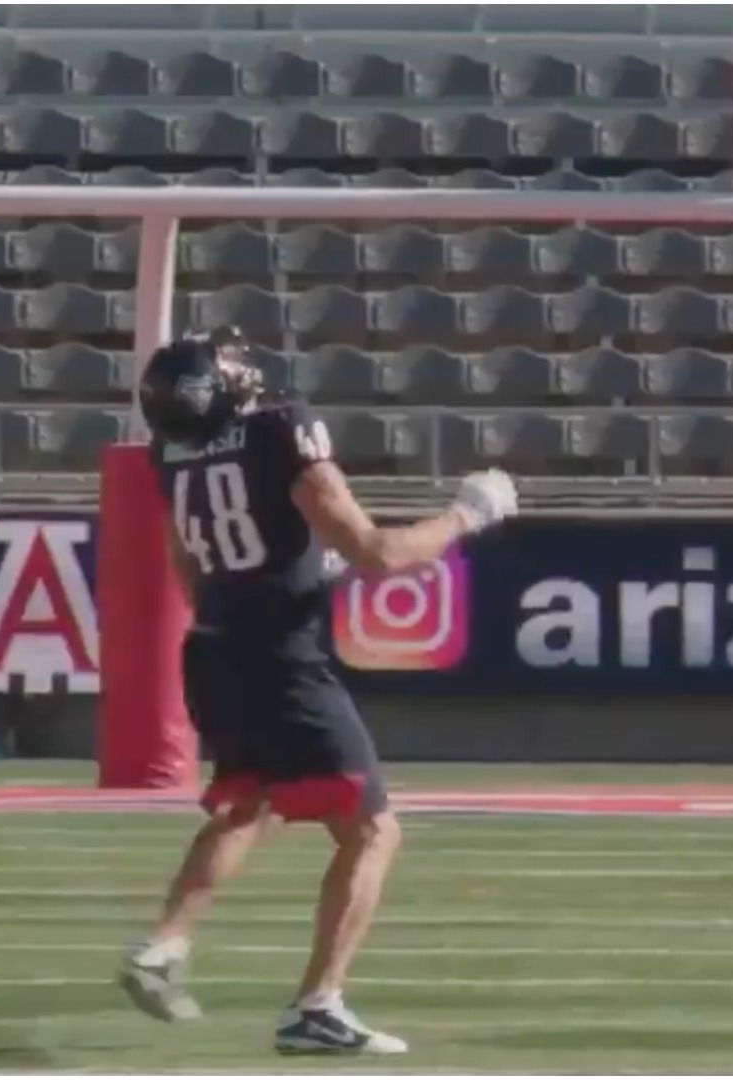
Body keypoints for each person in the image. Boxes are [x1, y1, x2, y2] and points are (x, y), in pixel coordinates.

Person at [118, 328, 519, 1055]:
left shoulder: (169, 456)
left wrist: (284, 575)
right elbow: (380, 552)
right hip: (279, 659)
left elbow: (192, 567)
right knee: (372, 829)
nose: (242, 369)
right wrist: (470, 512)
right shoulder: (280, 428)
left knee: (250, 804)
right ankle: (318, 1006)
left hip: (212, 648)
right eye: (227, 365)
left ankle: (163, 944)